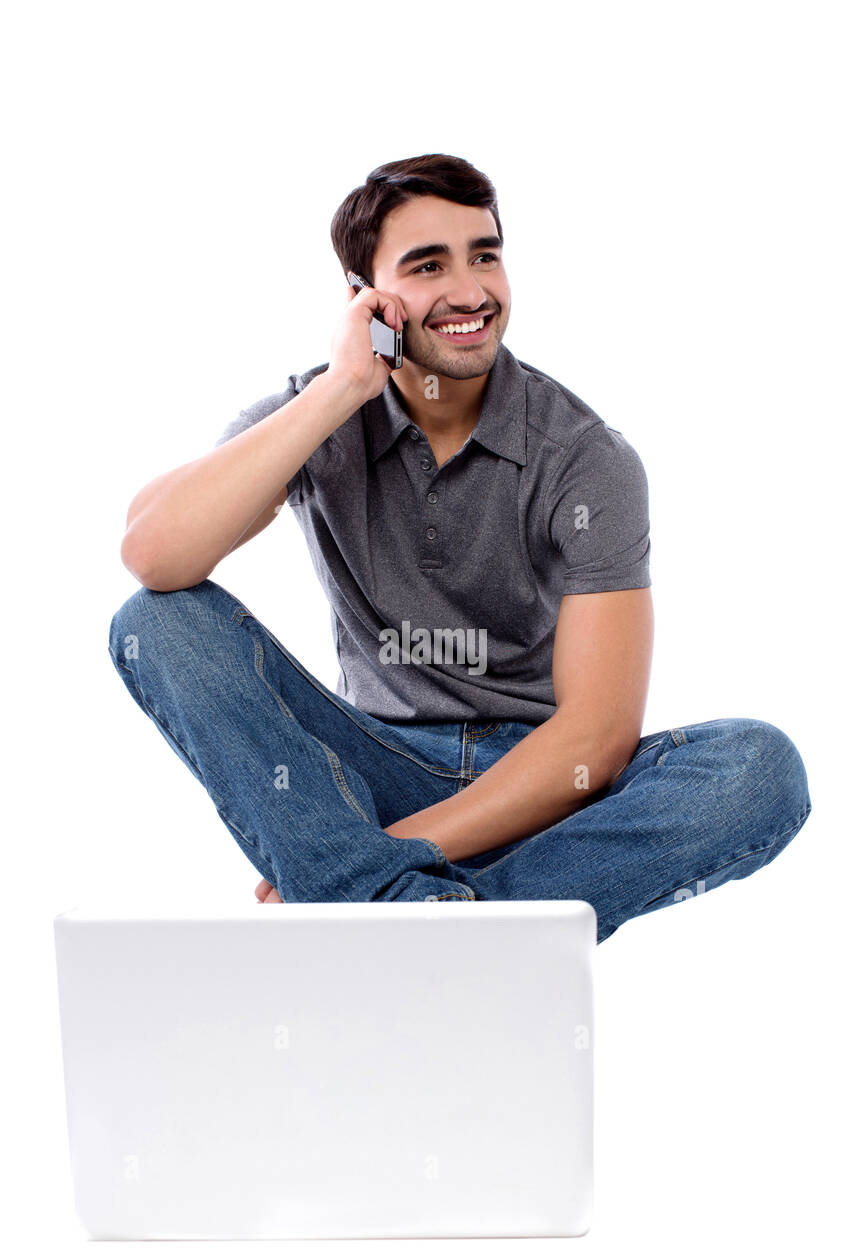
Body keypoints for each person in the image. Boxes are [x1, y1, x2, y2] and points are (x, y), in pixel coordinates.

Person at [108, 153, 811, 941]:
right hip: (364, 768)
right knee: (156, 622)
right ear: (363, 298)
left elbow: (598, 737)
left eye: (486, 255)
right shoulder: (320, 412)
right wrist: (343, 388)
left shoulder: (586, 458)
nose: (472, 292)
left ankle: (404, 913)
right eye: (428, 265)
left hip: (542, 791)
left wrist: (380, 857)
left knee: (759, 769)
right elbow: (153, 554)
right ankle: (456, 930)